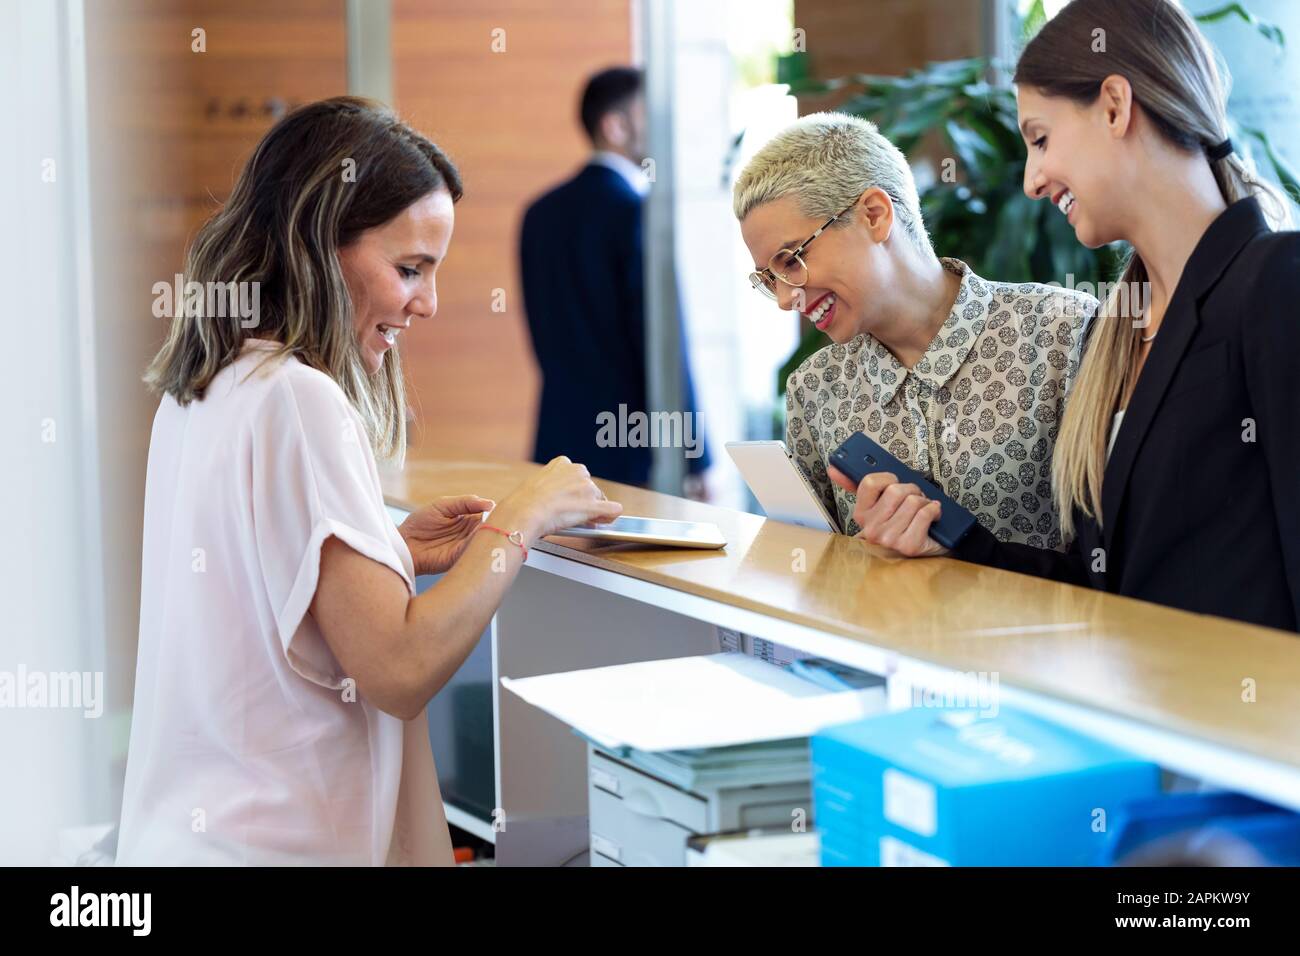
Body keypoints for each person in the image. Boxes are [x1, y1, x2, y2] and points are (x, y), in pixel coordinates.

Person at [117, 97, 622, 865]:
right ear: (320, 247)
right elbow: (398, 670)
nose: (427, 302)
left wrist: (386, 552)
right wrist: (519, 520)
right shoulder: (300, 398)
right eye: (409, 269)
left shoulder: (207, 387)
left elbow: (249, 593)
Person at [842, 0, 1300, 633]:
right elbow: (1102, 588)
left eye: (1041, 139)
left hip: (1239, 725)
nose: (1031, 179)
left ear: (1115, 106)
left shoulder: (1277, 280)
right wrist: (956, 543)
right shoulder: (1119, 332)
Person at [734, 112, 1097, 550]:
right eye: (769, 279)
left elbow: (1114, 563)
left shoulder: (1062, 332)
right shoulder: (814, 389)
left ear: (874, 215)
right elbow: (813, 576)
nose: (785, 299)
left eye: (791, 261)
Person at [520, 66, 712, 494]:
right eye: (651, 115)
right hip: (632, 456)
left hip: (556, 447)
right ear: (615, 126)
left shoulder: (539, 215)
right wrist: (696, 456)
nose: (665, 128)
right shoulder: (636, 214)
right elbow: (664, 347)